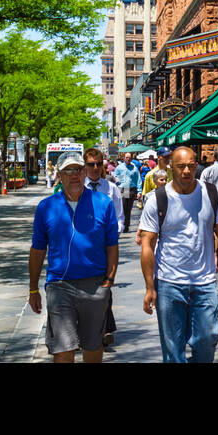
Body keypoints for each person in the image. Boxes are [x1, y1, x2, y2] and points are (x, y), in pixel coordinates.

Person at [138, 146, 218, 363]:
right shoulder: (158, 199)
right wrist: (149, 287)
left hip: (205, 281)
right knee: (173, 351)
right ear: (171, 166)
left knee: (207, 340)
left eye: (191, 166)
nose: (187, 171)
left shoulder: (211, 193)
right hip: (169, 282)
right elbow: (147, 243)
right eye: (181, 167)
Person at [27, 154, 120, 363]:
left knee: (93, 346)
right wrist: (33, 288)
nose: (74, 175)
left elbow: (112, 244)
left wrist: (109, 279)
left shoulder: (103, 203)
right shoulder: (46, 207)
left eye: (78, 169)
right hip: (59, 286)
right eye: (68, 171)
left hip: (95, 285)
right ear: (59, 175)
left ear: (84, 172)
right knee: (63, 349)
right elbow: (37, 249)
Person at [82, 147, 124, 347]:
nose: (96, 168)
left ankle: (105, 328)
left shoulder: (111, 188)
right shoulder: (77, 186)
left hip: (105, 246)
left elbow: (120, 217)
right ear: (85, 166)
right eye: (91, 164)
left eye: (99, 164)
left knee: (105, 286)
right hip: (82, 247)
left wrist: (113, 236)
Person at [113, 153, 141, 233]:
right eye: (126, 157)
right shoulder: (119, 167)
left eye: (129, 157)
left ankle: (126, 226)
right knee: (123, 208)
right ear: (124, 158)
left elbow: (138, 180)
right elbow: (115, 175)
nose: (128, 159)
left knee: (129, 209)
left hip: (132, 189)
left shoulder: (134, 168)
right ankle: (122, 225)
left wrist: (139, 191)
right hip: (124, 189)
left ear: (131, 159)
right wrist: (119, 181)